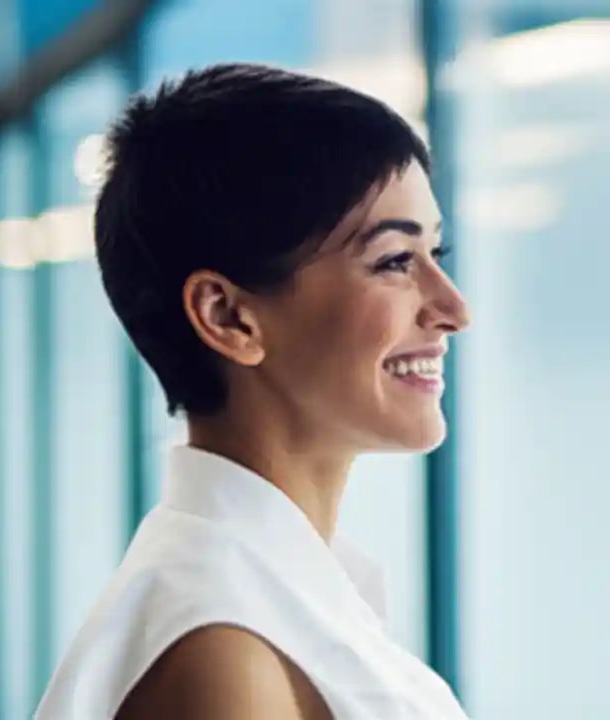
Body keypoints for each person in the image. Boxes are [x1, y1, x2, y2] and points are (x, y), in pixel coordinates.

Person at [34, 62, 472, 719]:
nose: (453, 309)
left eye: (439, 254)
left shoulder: (274, 593)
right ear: (228, 317)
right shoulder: (224, 646)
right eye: (392, 261)